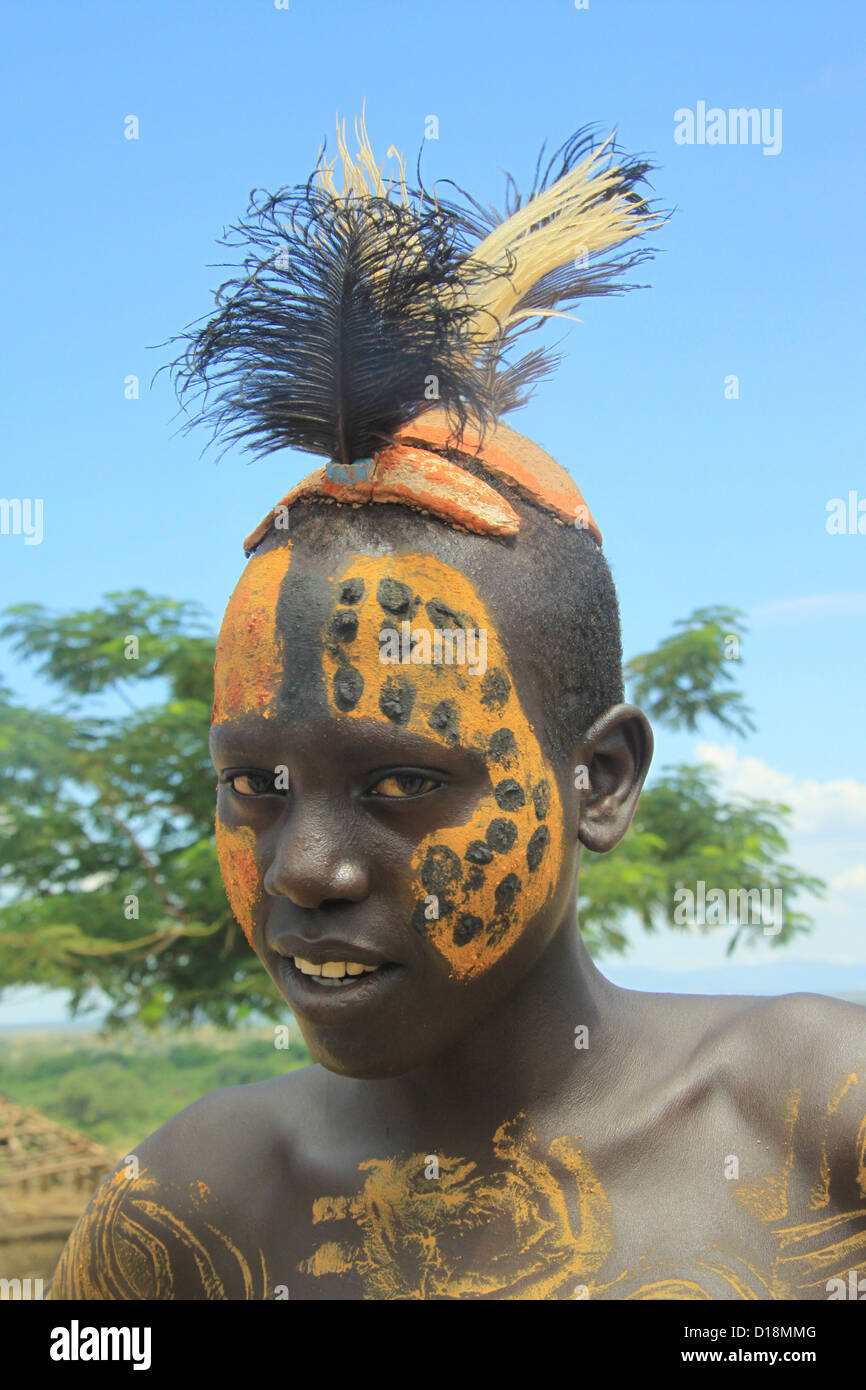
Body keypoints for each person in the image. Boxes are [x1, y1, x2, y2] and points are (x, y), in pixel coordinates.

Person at [48, 116, 866, 1301]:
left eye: (401, 782)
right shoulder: (183, 1221)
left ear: (599, 780)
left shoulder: (816, 1122)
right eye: (254, 785)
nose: (303, 869)